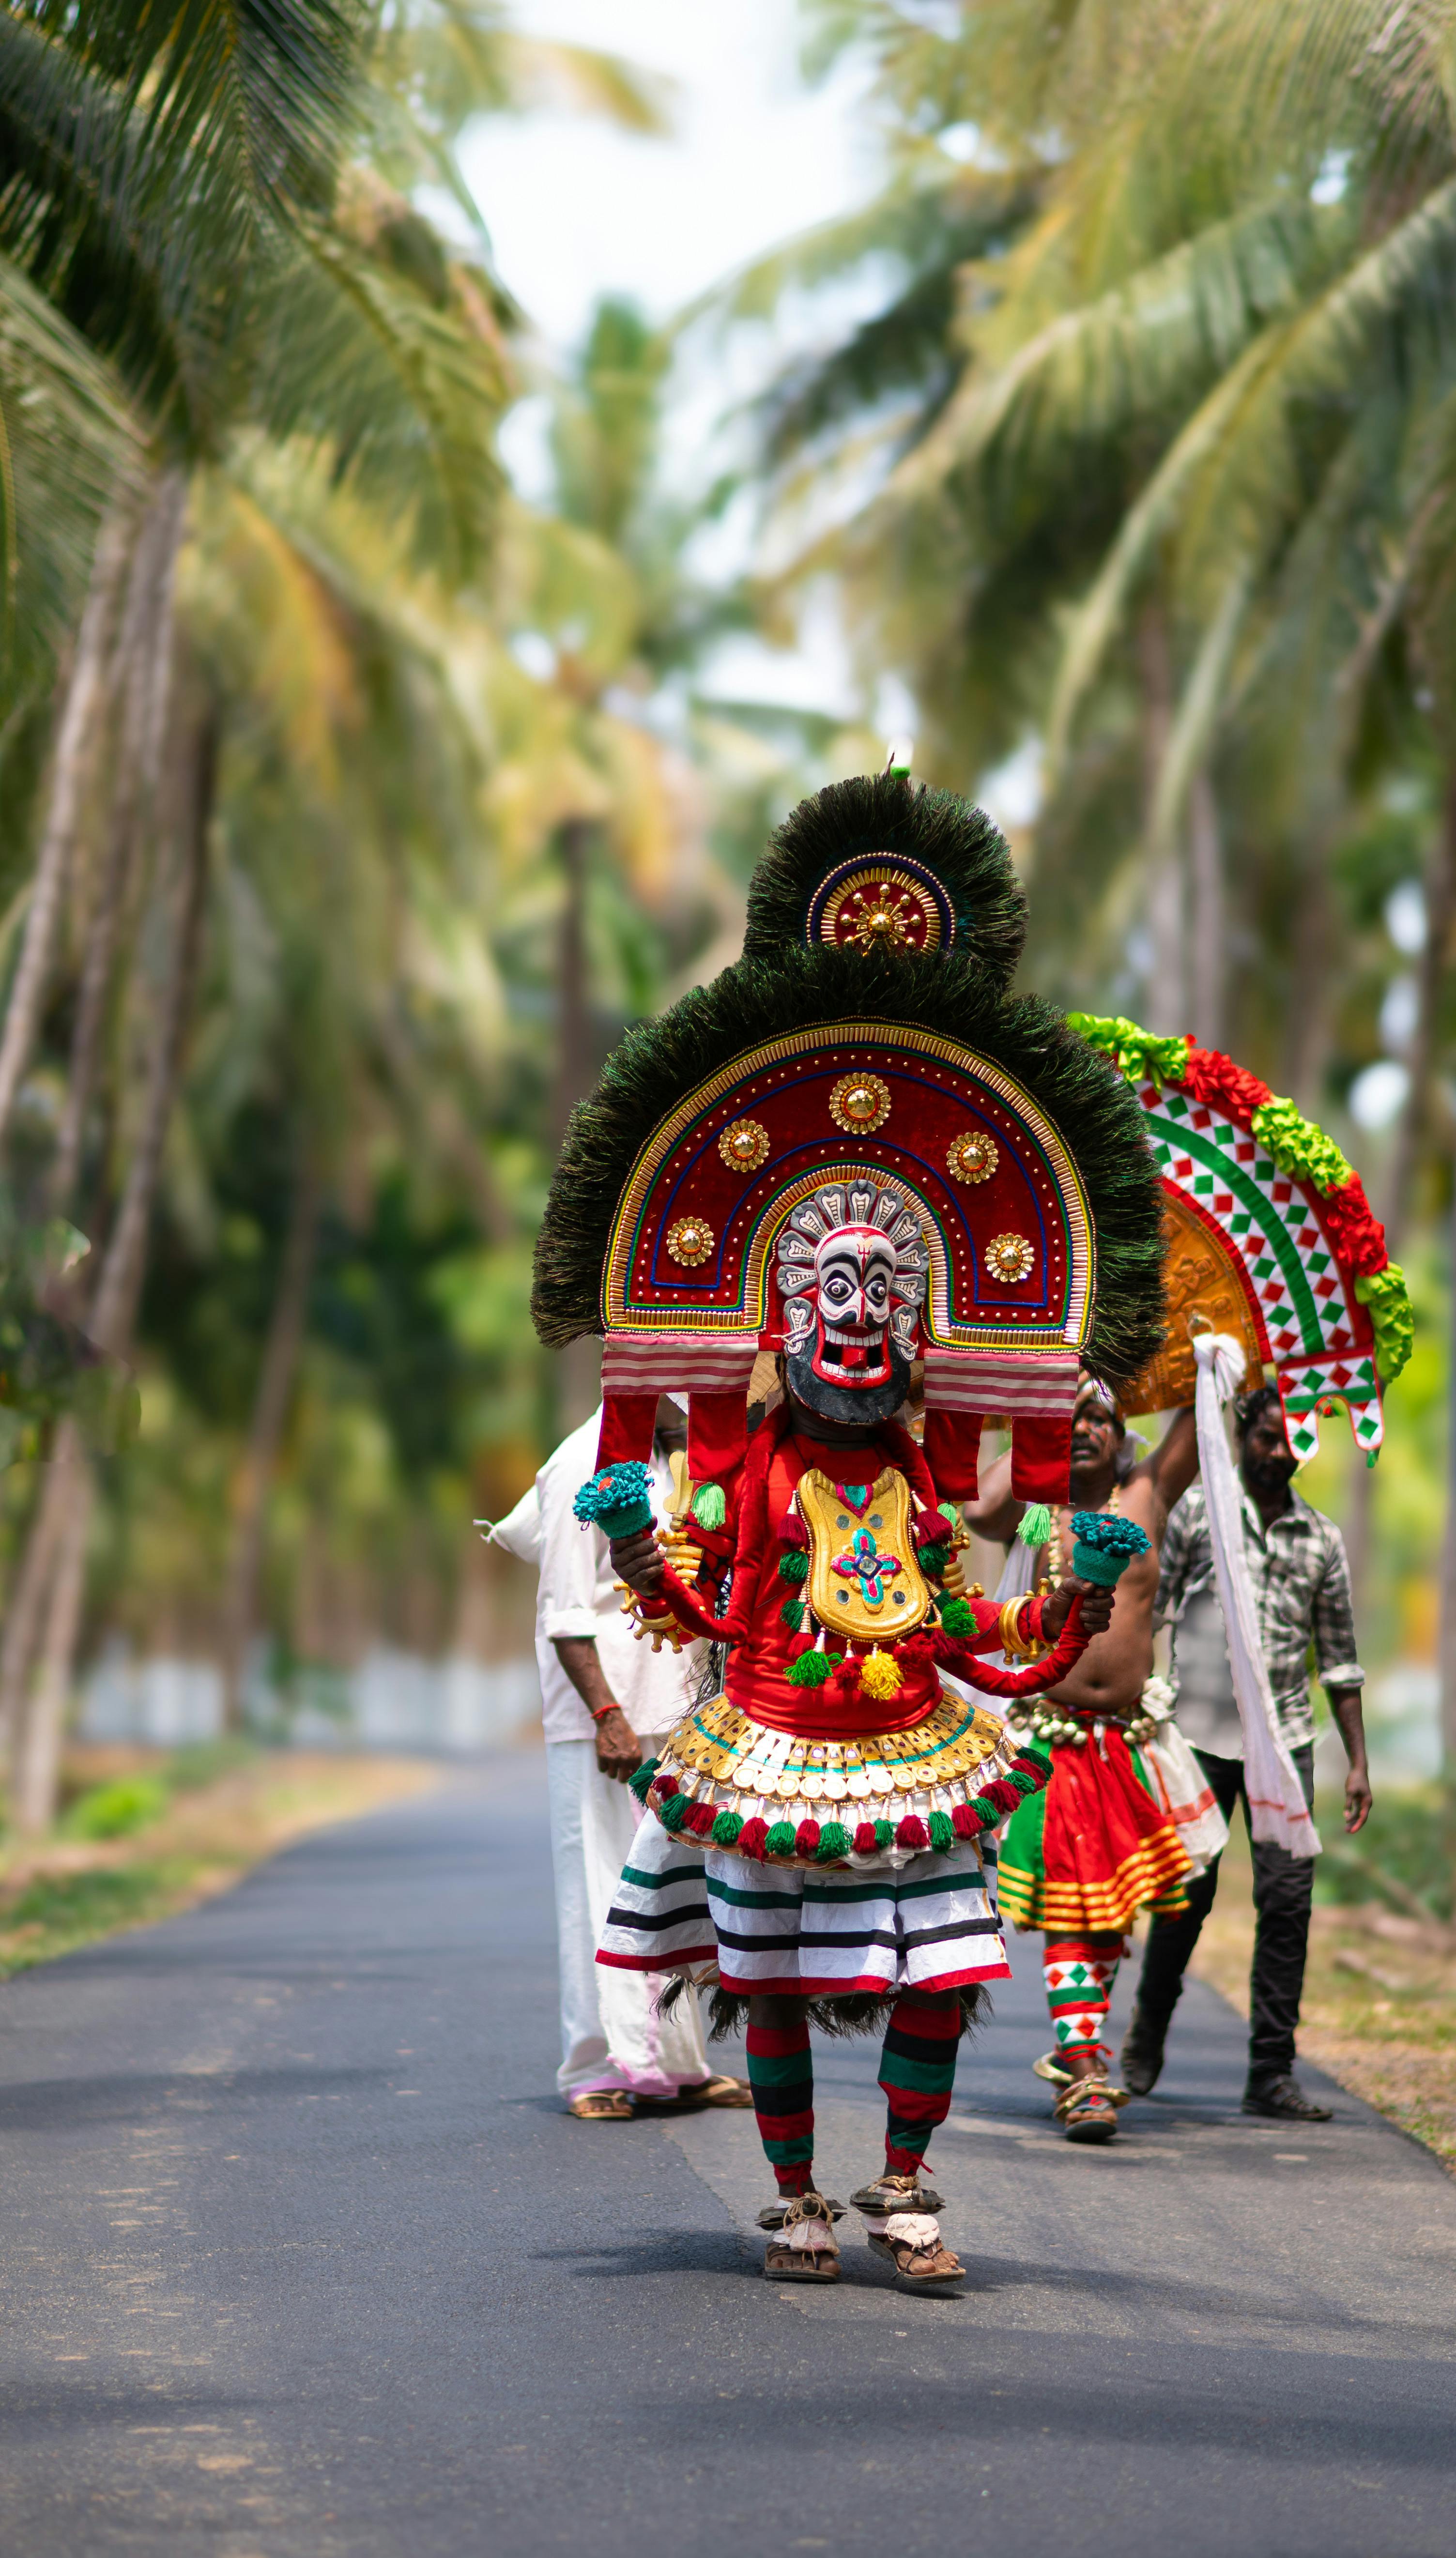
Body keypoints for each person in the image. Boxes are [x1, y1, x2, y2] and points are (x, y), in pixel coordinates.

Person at [527, 762, 1165, 2290]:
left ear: (933, 1315)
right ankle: (802, 2199)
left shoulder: (926, 1491)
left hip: (907, 1755)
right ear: (777, 1305)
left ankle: (908, 2184)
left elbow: (966, 1630)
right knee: (767, 1982)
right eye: (831, 1291)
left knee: (941, 1979)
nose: (861, 1319)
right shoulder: (749, 1473)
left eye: (890, 1293)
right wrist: (628, 1542)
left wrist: (1069, 1595)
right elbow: (698, 1601)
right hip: (769, 1746)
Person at [487, 1395, 750, 2120]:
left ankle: (679, 2063)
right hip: (605, 1718)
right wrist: (606, 1716)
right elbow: (565, 1613)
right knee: (600, 1885)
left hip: (680, 1715)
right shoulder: (584, 1461)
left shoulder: (686, 1458)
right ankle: (597, 2066)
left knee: (680, 1889)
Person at [964, 1377, 1209, 2141]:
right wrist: (1040, 1399)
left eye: (1100, 1418)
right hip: (1048, 1735)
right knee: (1075, 1899)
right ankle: (1083, 2062)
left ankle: (1083, 2048)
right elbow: (977, 1509)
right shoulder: (1035, 1507)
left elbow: (1199, 1421)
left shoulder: (1148, 1494)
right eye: (1072, 1420)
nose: (1086, 1430)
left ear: (1121, 1431)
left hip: (1126, 1742)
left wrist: (1225, 1349)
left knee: (1110, 1908)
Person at [1121, 1381, 1373, 2121]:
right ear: (1240, 1435)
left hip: (1286, 1743)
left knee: (1288, 1903)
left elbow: (1342, 1662)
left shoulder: (1321, 1539)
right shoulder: (1200, 1516)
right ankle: (1145, 2043)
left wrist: (1358, 1760)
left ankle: (1271, 2071)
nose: (1279, 1452)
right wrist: (1137, 1712)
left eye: (1292, 1438)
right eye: (1266, 1437)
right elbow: (1152, 1613)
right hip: (1196, 1736)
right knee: (1187, 1898)